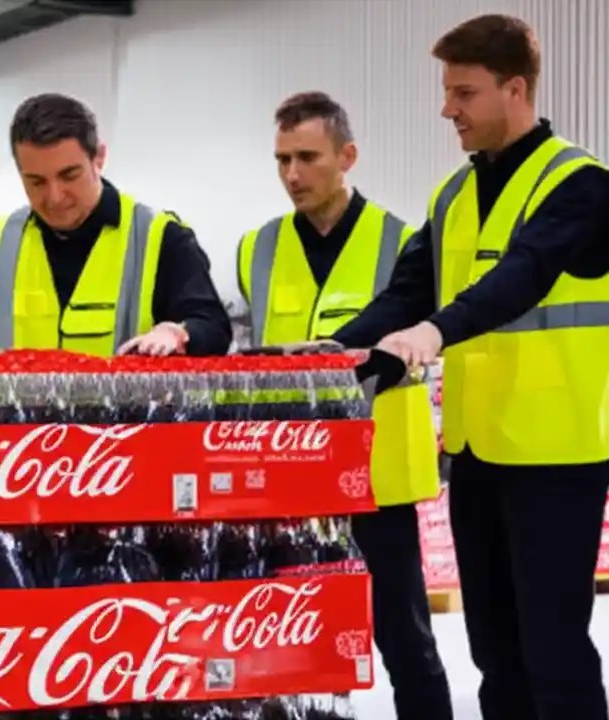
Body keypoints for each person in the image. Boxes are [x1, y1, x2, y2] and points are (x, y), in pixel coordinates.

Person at [331, 14, 609, 720]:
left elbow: (523, 276)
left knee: (554, 652)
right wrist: (328, 358)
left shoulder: (581, 185)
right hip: (477, 453)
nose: (446, 108)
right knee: (492, 652)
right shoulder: (453, 194)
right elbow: (404, 295)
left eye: (463, 92)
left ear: (515, 89)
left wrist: (434, 331)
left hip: (558, 455)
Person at [236, 91, 452, 720]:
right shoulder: (258, 249)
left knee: (405, 640)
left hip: (378, 477)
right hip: (289, 480)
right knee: (282, 642)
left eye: (307, 157)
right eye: (281, 160)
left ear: (347, 156)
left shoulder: (403, 243)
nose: (292, 175)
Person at [0, 93, 231, 357]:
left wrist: (177, 332)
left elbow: (213, 328)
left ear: (99, 157)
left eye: (69, 175)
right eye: (36, 182)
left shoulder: (159, 236)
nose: (55, 197)